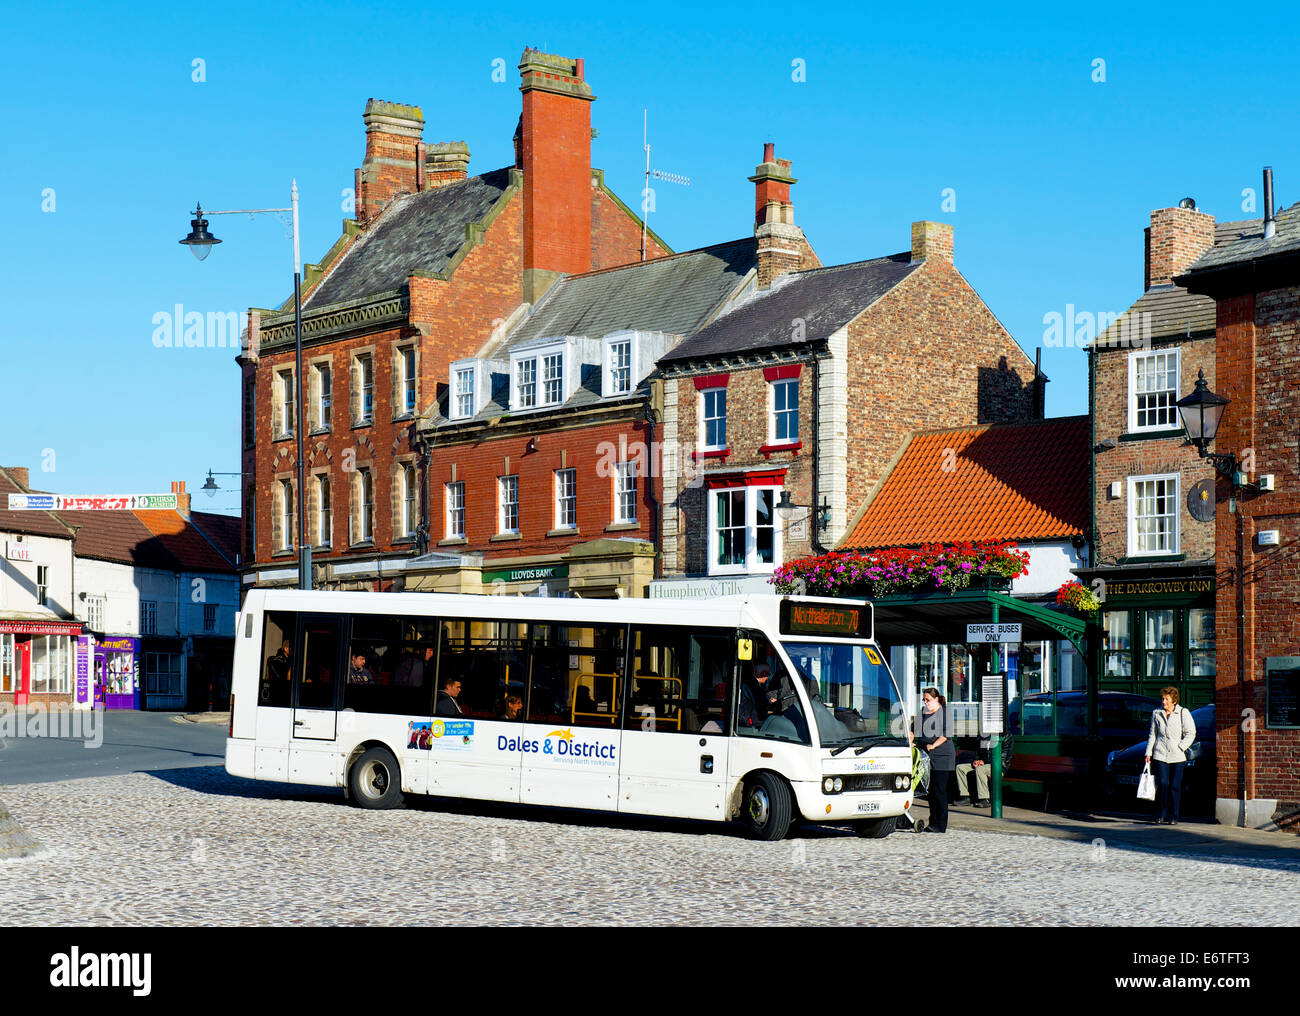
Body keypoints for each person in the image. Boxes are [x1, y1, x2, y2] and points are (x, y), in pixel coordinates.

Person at [1145, 685, 1196, 825]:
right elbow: (1153, 735)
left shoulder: (1182, 713)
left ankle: (1174, 815)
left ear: (1174, 700)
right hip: (1160, 754)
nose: (1163, 702)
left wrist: (1181, 747)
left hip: (1178, 756)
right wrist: (1148, 752)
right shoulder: (1156, 713)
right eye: (1162, 699)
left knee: (1175, 786)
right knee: (1163, 784)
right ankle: (1162, 813)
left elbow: (1191, 733)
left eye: (1166, 699)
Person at [919, 687, 955, 832]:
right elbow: (914, 730)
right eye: (924, 699)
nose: (926, 702)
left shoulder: (945, 713)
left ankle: (940, 825)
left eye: (928, 699)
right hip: (927, 756)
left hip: (942, 756)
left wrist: (933, 745)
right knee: (931, 791)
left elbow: (946, 734)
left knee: (939, 791)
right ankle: (932, 821)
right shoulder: (923, 713)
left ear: (936, 699)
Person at [955, 732, 1015, 807]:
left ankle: (985, 799)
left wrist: (984, 761)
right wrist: (976, 761)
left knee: (980, 769)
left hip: (998, 767)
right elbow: (980, 753)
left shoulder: (1006, 736)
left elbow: (1002, 757)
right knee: (960, 768)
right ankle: (965, 797)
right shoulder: (985, 736)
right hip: (984, 764)